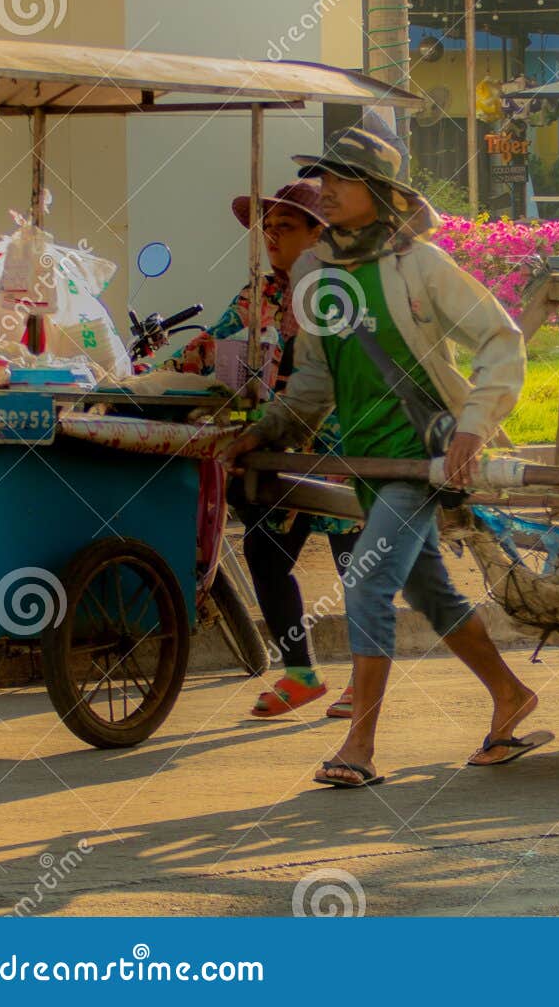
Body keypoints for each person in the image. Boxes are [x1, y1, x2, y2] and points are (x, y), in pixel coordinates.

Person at [222, 127, 541, 789]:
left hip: (421, 452)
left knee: (368, 580)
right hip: (367, 459)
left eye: (342, 180)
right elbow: (313, 379)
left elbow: (500, 338)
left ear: (382, 194)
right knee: (430, 589)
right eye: (325, 178)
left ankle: (359, 745)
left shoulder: (419, 265)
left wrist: (474, 429)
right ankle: (511, 695)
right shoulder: (313, 272)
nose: (327, 190)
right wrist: (268, 427)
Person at [166, 181, 362, 719]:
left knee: (355, 563)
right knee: (264, 552)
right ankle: (300, 672)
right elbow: (215, 343)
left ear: (318, 233)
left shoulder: (339, 291)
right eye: (268, 228)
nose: (272, 237)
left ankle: (366, 685)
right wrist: (155, 375)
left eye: (286, 227)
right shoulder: (261, 293)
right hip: (276, 444)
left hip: (341, 445)